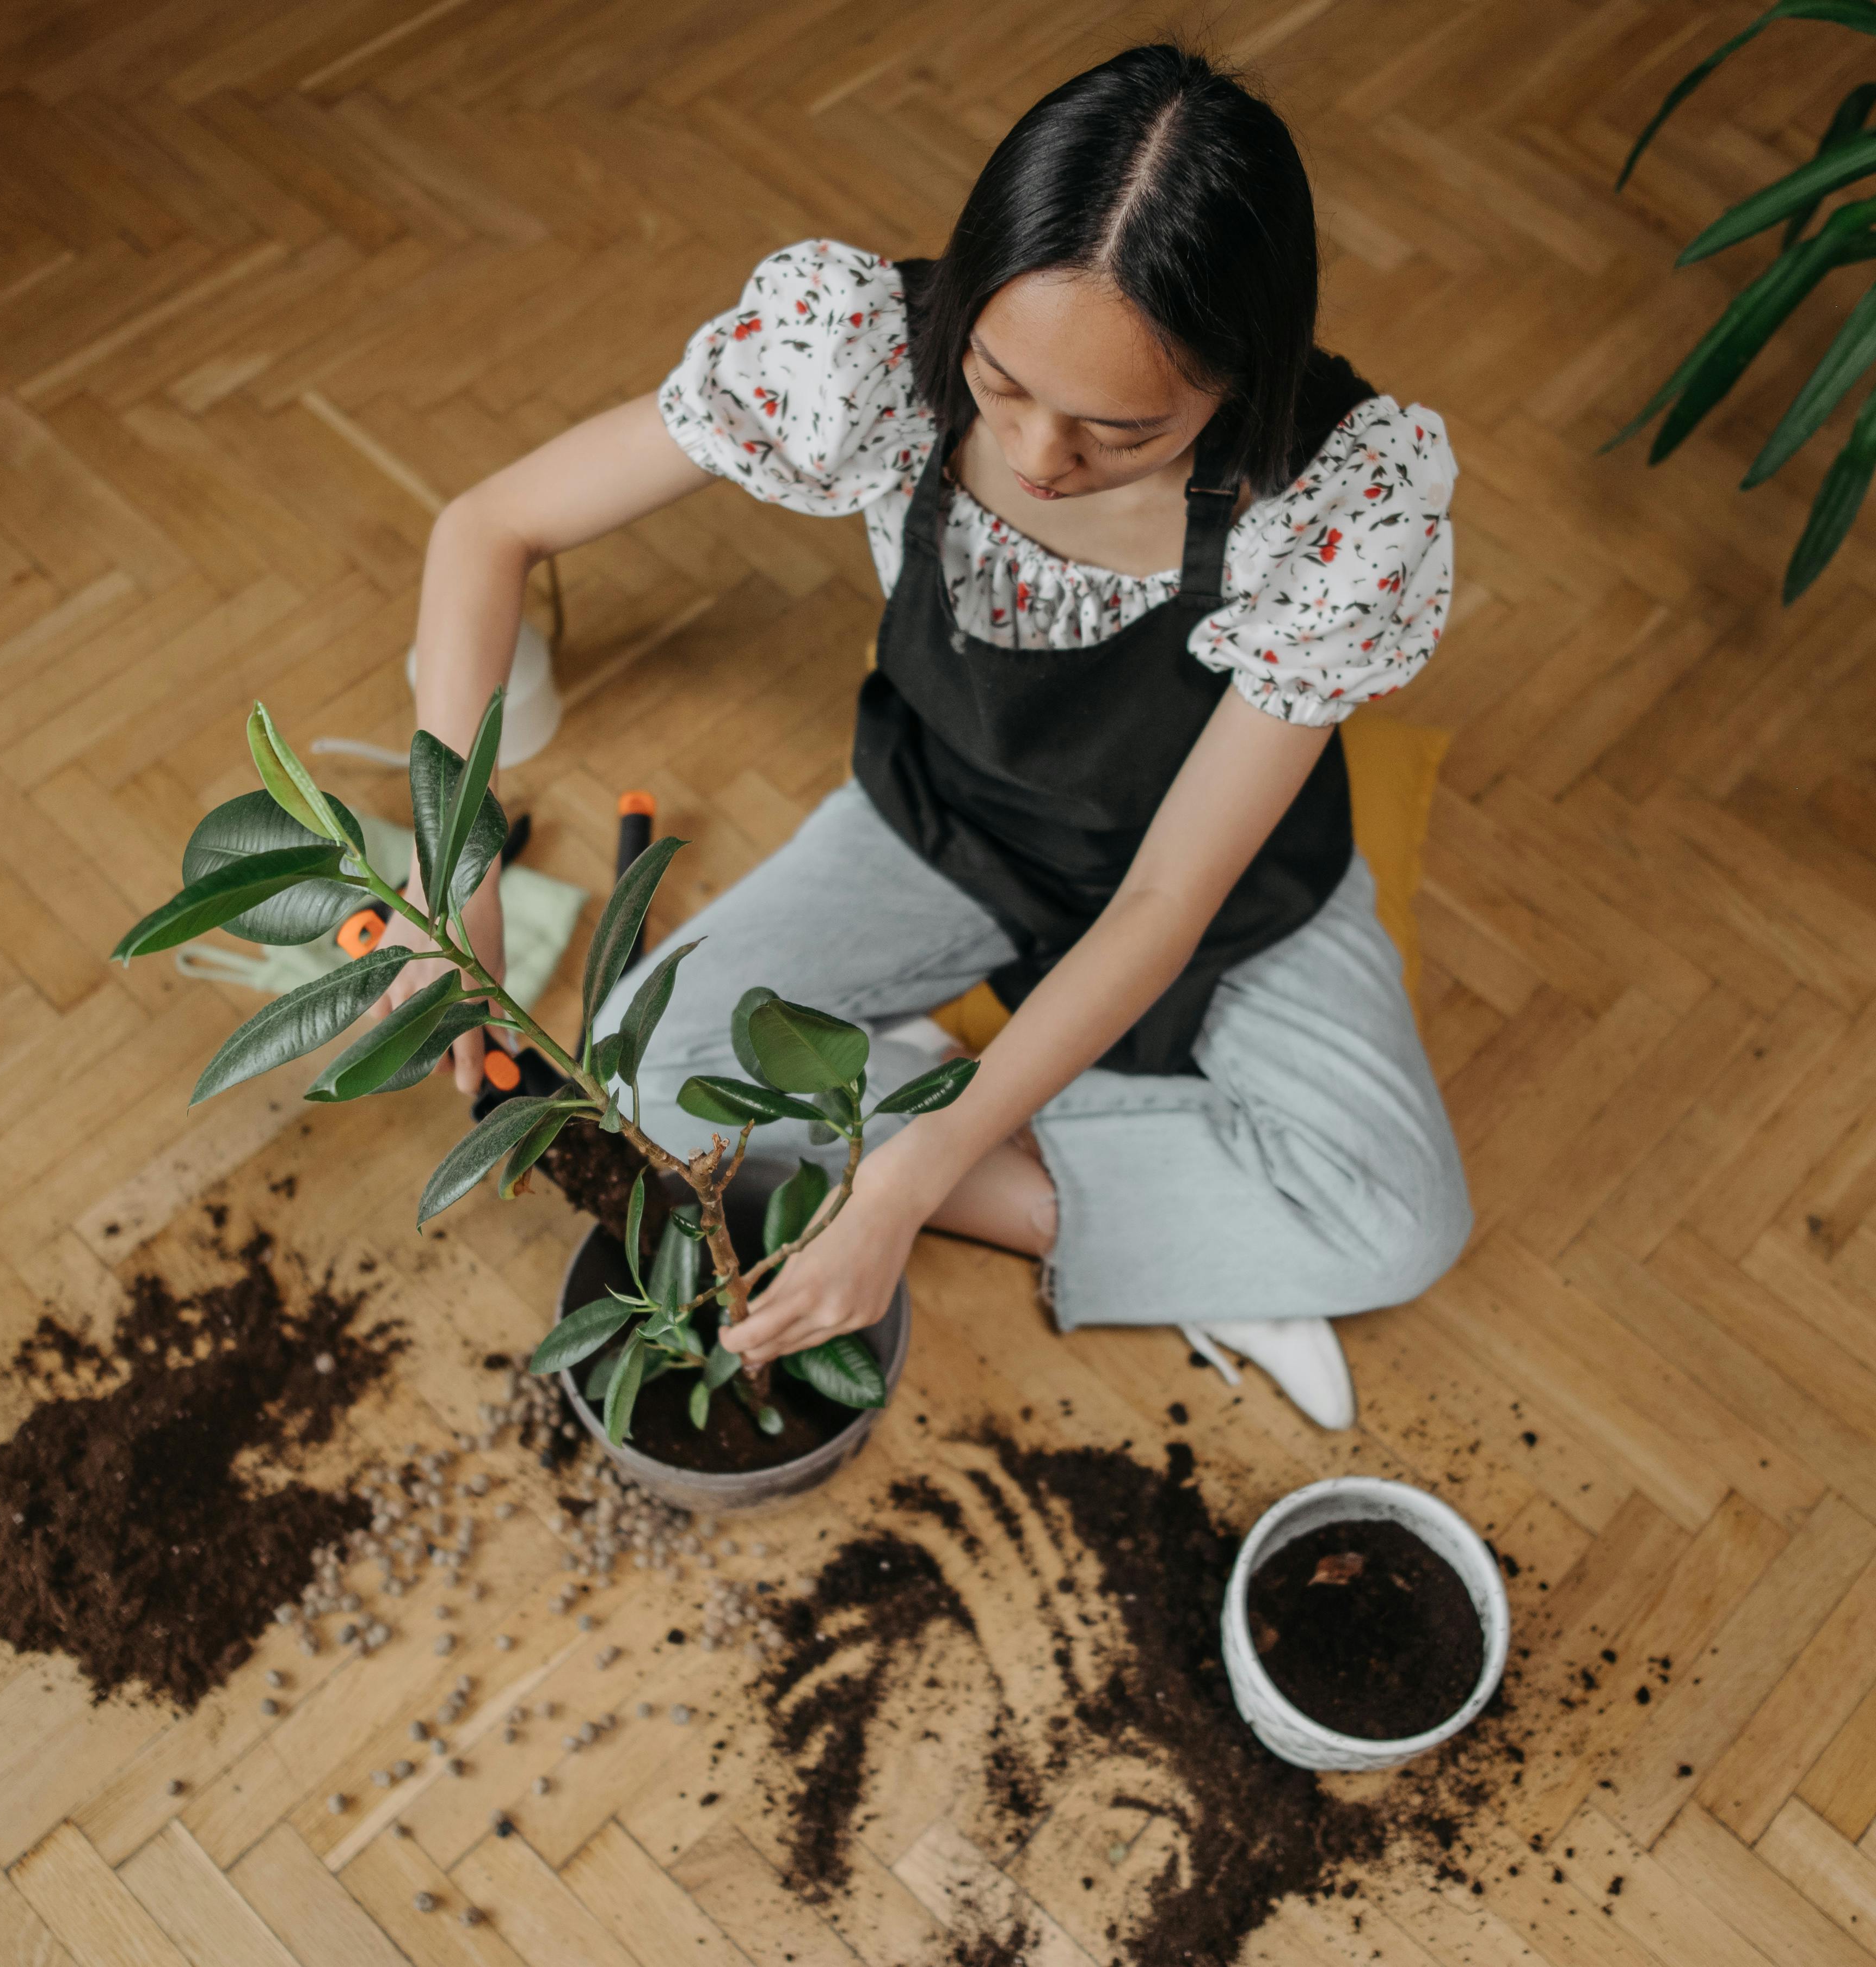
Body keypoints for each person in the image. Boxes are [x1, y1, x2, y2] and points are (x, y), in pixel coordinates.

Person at [380, 45, 1470, 1428]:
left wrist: (902, 1176)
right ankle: (1183, 1220)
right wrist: (450, 890)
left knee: (1400, 1219)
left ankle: (1029, 1166)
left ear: (1234, 383)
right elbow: (486, 529)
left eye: (1117, 432)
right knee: (644, 1076)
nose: (1034, 456)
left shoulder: (1328, 512)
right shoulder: (860, 360)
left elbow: (1160, 902)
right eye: (1001, 381)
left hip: (1225, 890)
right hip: (940, 821)